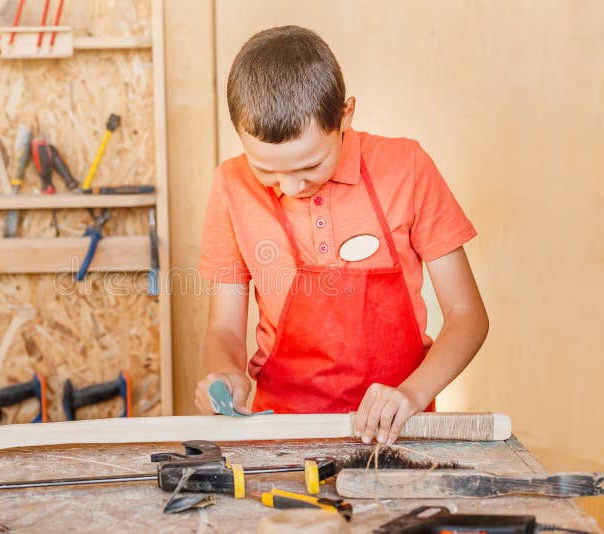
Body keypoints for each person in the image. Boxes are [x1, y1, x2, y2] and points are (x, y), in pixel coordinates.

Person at [195, 26, 488, 445]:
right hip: (282, 434)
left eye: (309, 166)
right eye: (266, 170)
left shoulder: (407, 168)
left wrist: (413, 394)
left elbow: (467, 315)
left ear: (345, 117)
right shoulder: (230, 185)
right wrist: (224, 375)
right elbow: (223, 327)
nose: (292, 187)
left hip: (400, 431)